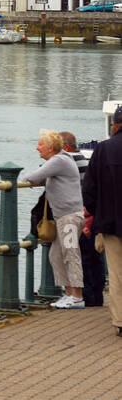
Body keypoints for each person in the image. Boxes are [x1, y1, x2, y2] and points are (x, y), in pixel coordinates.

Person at [24, 129, 86, 309]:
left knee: (71, 254)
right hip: (64, 217)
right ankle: (68, 293)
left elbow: (34, 176)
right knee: (56, 254)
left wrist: (28, 178)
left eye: (40, 144)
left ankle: (77, 296)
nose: (37, 148)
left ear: (51, 147)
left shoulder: (58, 160)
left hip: (69, 217)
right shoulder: (61, 160)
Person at [83, 107, 122, 336]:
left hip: (111, 223)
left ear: (114, 125)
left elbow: (89, 190)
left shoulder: (104, 149)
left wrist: (98, 214)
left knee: (116, 274)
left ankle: (120, 320)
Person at [62, 131, 105, 307]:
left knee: (82, 257)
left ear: (65, 146)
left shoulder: (68, 159)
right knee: (94, 257)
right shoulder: (82, 158)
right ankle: (96, 296)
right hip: (92, 214)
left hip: (79, 214)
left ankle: (85, 295)